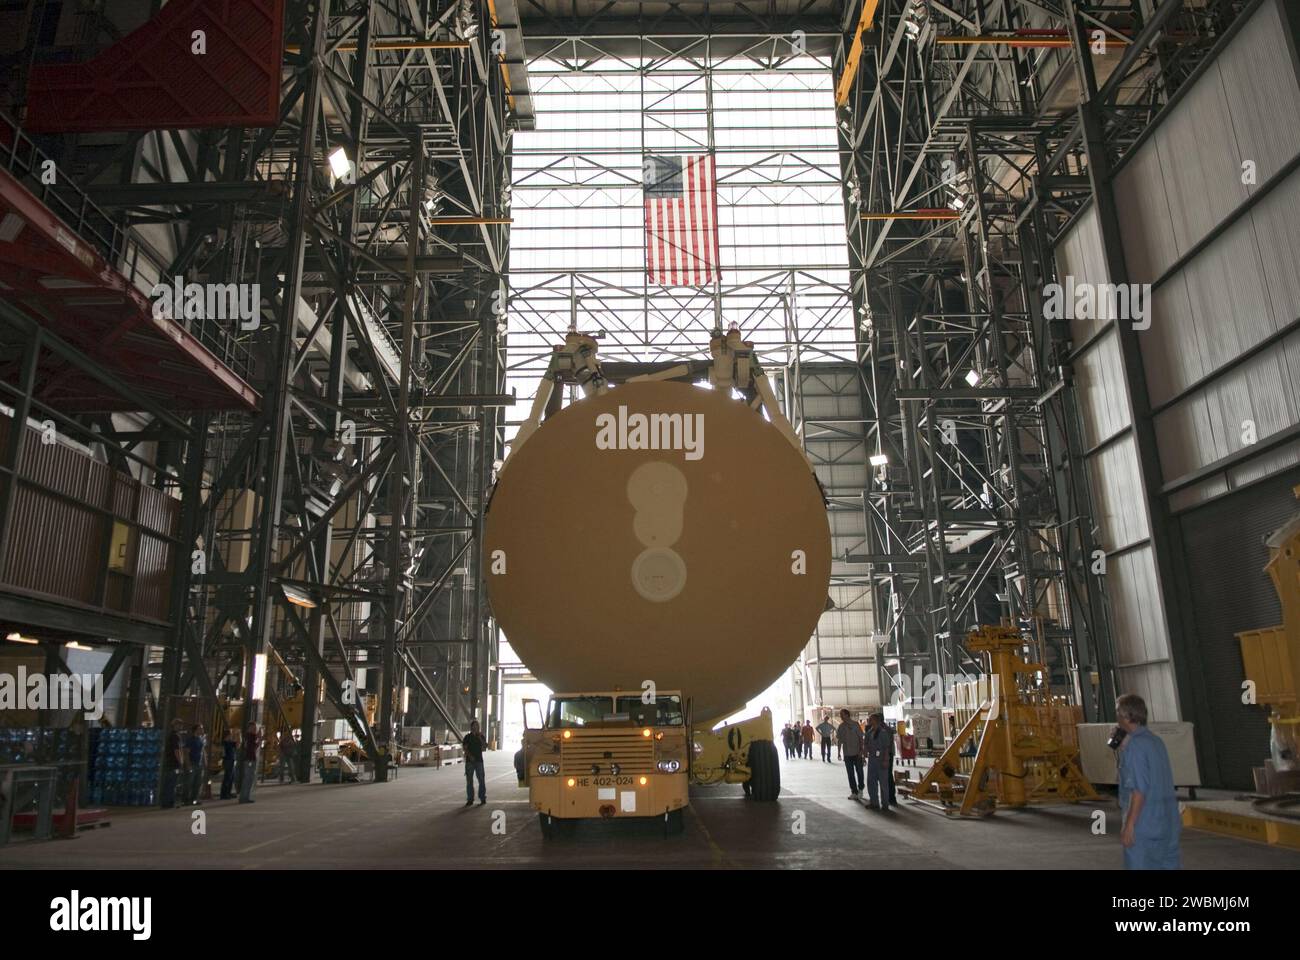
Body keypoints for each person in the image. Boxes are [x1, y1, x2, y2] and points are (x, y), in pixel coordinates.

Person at [1115, 693, 1181, 870]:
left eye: (1118, 714)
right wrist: (1122, 750)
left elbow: (1139, 790)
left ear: (1127, 716)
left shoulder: (1135, 746)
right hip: (1168, 821)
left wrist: (1129, 825)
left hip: (1145, 822)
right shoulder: (1156, 742)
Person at [863, 714, 891, 811]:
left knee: (883, 783)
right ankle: (874, 802)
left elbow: (886, 747)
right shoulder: (869, 732)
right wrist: (865, 753)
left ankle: (885, 804)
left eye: (871, 719)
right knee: (871, 782)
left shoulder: (883, 732)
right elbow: (865, 744)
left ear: (876, 720)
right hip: (872, 760)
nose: (869, 720)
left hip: (881, 759)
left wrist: (886, 760)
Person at [837, 709, 864, 800]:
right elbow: (839, 740)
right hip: (847, 753)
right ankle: (854, 791)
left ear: (847, 715)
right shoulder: (841, 727)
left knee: (859, 772)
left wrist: (861, 751)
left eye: (842, 715)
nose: (841, 716)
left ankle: (860, 789)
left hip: (856, 753)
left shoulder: (855, 725)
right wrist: (839, 753)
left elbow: (861, 738)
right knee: (850, 773)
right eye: (840, 715)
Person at [463, 720, 487, 806]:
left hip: (479, 761)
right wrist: (470, 756)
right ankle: (470, 798)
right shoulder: (467, 737)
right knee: (469, 780)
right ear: (472, 727)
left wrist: (480, 737)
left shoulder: (481, 736)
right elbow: (465, 748)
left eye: (478, 726)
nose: (477, 727)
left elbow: (484, 746)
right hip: (470, 762)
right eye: (475, 726)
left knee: (481, 779)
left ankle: (482, 797)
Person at [161, 720, 183, 808]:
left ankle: (168, 801)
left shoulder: (172, 736)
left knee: (170, 783)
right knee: (171, 783)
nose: (181, 726)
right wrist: (180, 761)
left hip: (170, 762)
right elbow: (176, 750)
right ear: (175, 725)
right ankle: (168, 802)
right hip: (173, 763)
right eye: (180, 725)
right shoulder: (175, 737)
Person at [185, 724, 206, 805]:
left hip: (199, 763)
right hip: (193, 763)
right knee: (189, 782)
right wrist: (188, 764)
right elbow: (186, 752)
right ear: (196, 730)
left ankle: (194, 799)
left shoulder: (200, 739)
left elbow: (203, 751)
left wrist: (204, 760)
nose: (202, 730)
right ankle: (186, 799)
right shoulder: (191, 740)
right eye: (200, 728)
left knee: (197, 782)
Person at [239, 722, 259, 803]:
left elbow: (254, 747)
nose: (255, 729)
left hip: (250, 759)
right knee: (248, 779)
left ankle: (245, 797)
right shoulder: (250, 736)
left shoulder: (248, 736)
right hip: (249, 759)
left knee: (249, 779)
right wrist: (259, 737)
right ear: (249, 727)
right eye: (253, 728)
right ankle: (244, 797)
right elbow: (252, 747)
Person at [220, 726, 239, 799]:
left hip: (232, 760)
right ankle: (224, 794)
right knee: (227, 777)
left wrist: (238, 735)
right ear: (227, 735)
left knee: (231, 777)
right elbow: (223, 753)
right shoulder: (225, 743)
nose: (232, 735)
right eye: (231, 734)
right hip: (228, 760)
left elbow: (237, 744)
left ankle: (228, 792)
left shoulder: (230, 742)